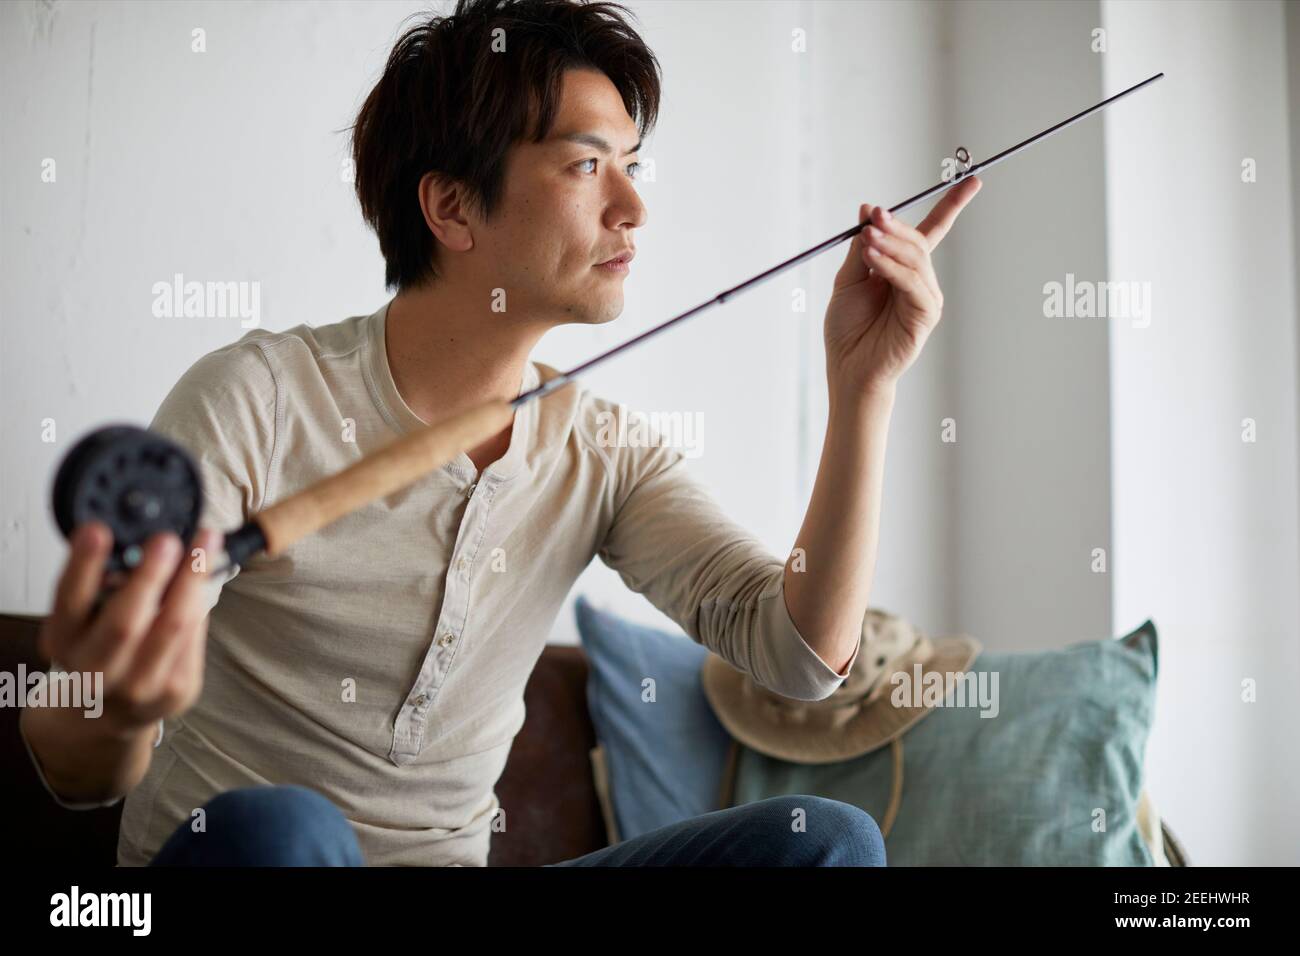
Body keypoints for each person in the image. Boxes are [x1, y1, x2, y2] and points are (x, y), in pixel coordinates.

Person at [21, 0, 979, 867]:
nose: (634, 207)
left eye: (633, 166)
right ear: (449, 207)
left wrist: (864, 390)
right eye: (588, 164)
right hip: (244, 858)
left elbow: (800, 660)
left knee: (828, 847)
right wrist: (113, 707)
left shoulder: (601, 451)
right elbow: (78, 771)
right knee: (287, 828)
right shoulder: (260, 398)